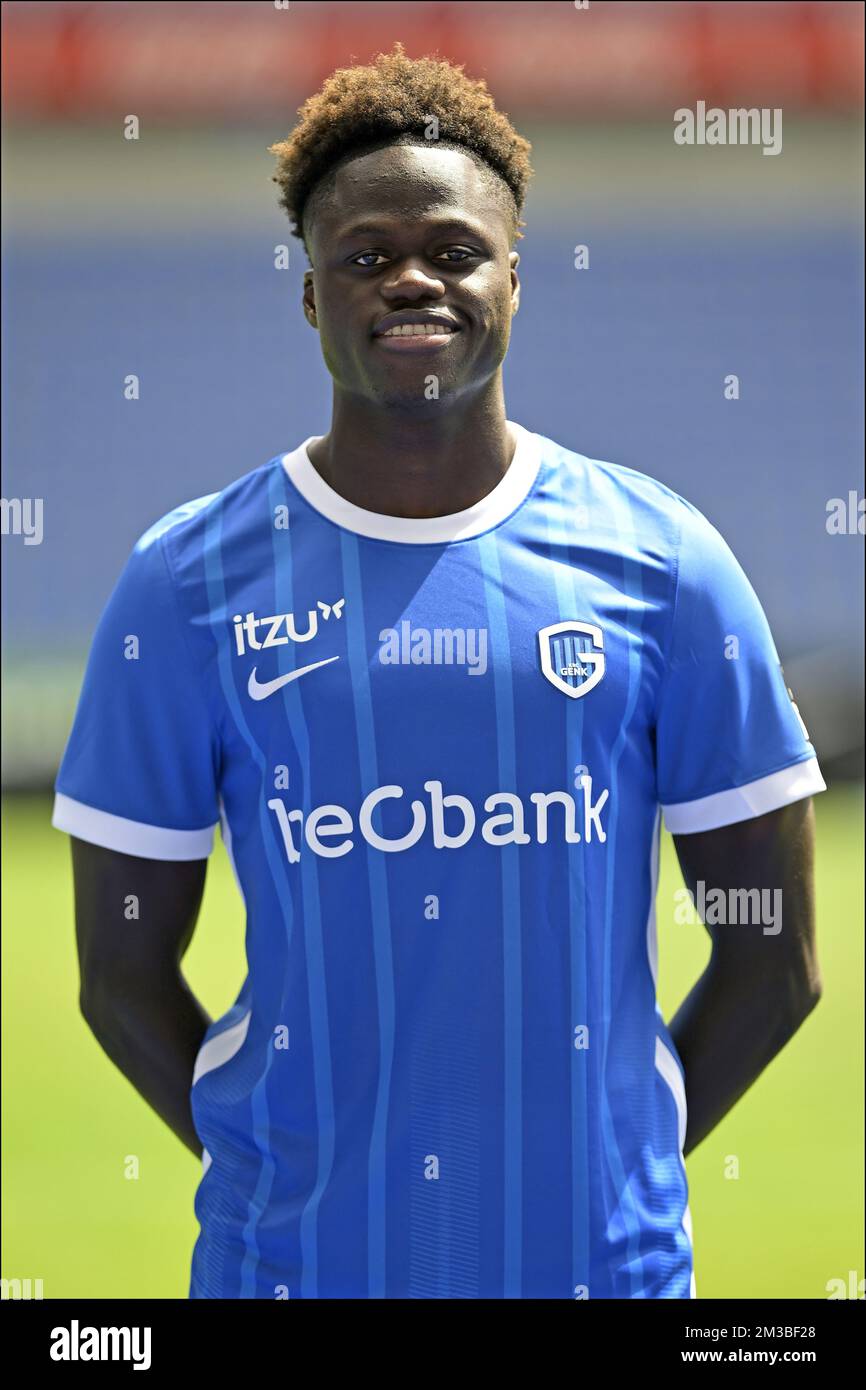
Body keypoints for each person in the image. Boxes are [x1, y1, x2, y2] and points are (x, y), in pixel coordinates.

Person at [52, 43, 825, 1299]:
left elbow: (774, 959)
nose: (412, 277)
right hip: (287, 1273)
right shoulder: (183, 582)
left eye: (455, 251)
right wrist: (278, 1171)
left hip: (603, 1276)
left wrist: (608, 1170)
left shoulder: (663, 560)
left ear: (515, 280)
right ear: (311, 294)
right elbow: (119, 975)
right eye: (365, 254)